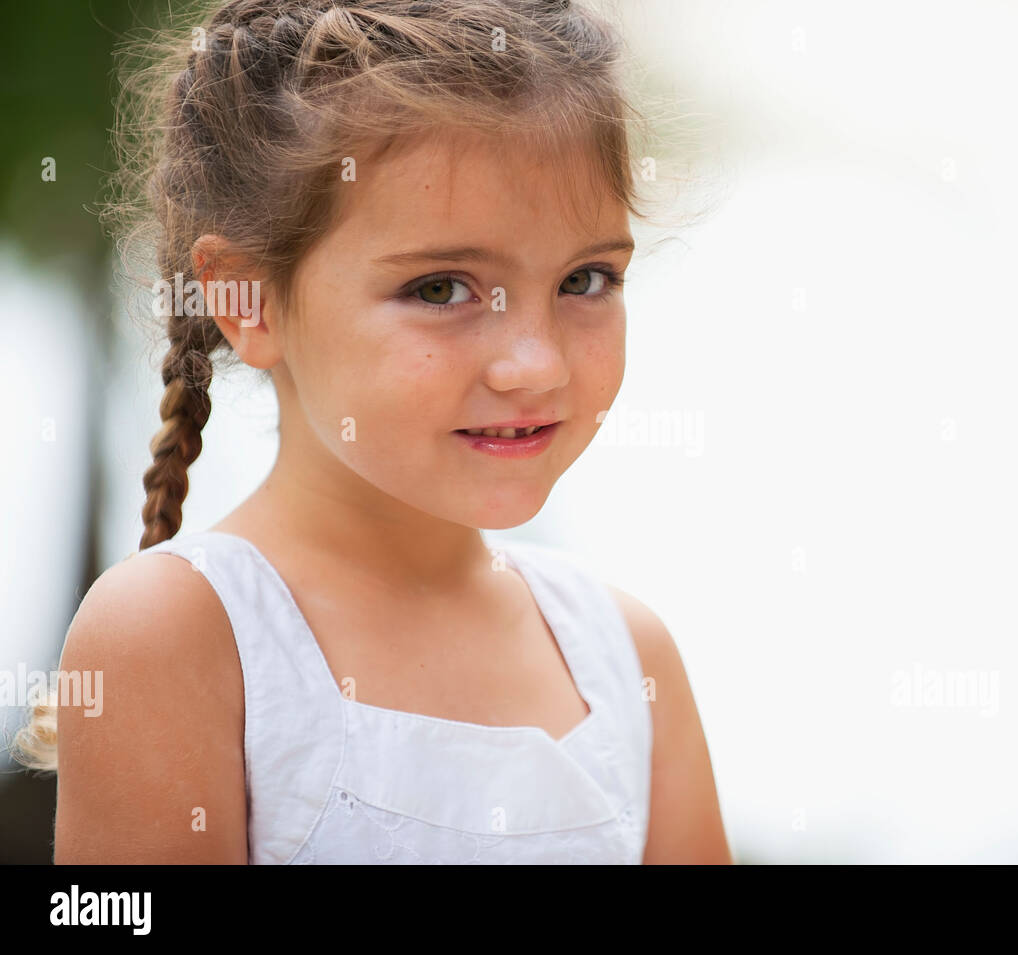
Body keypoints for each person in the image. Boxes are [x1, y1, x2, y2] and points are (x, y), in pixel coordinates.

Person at [12, 0, 730, 864]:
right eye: (440, 289)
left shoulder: (627, 661)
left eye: (586, 278)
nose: (536, 365)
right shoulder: (179, 634)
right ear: (246, 298)